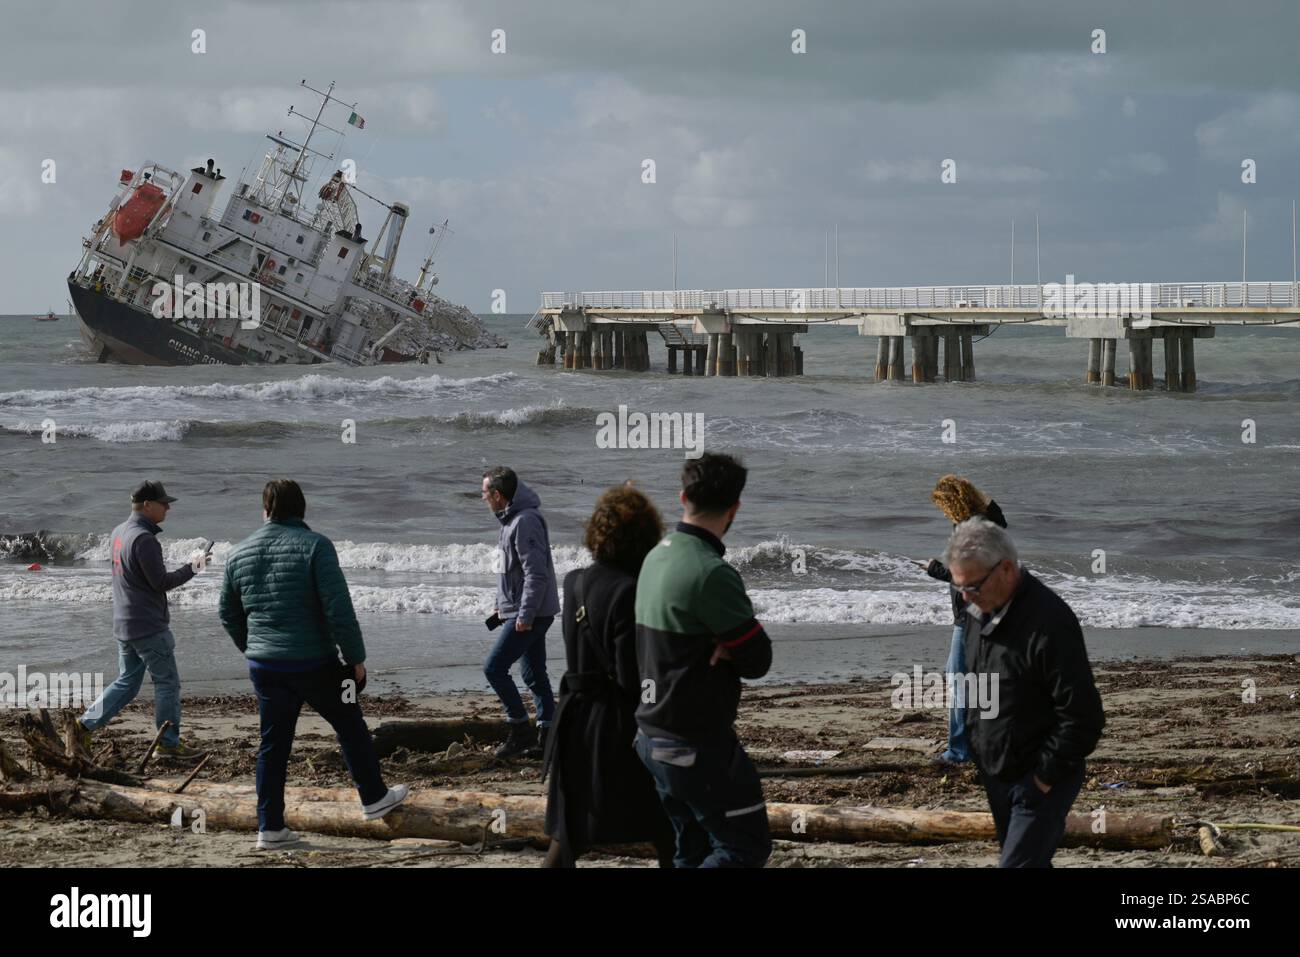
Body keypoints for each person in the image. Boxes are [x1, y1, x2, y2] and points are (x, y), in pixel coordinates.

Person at [218, 479, 407, 850]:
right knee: (350, 723)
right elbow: (339, 609)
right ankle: (373, 798)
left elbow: (227, 612)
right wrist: (355, 659)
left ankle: (269, 827)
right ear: (301, 510)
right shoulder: (316, 546)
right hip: (314, 663)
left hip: (265, 666)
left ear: (266, 510)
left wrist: (252, 645)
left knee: (273, 745)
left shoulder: (238, 552)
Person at [633, 452, 773, 868]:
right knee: (743, 848)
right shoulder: (712, 573)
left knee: (691, 850)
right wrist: (730, 646)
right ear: (735, 509)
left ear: (682, 497)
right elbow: (758, 659)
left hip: (650, 734)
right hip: (694, 741)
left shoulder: (656, 555)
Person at [944, 518, 1105, 867]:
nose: (967, 597)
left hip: (1040, 777)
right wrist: (976, 745)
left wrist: (1043, 778)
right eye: (960, 589)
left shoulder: (1050, 622)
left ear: (1005, 568)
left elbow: (1084, 717)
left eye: (973, 587)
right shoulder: (976, 611)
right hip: (995, 769)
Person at [542, 484, 676, 868]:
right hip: (616, 725)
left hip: (572, 721)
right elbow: (632, 678)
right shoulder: (633, 591)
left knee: (569, 836)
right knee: (666, 828)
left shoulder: (575, 582)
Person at [77, 481, 206, 759]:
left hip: (124, 622)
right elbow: (161, 582)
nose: (168, 507)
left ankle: (83, 727)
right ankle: (168, 745)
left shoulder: (119, 533)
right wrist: (193, 568)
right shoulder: (145, 539)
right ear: (147, 505)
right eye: (163, 503)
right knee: (167, 683)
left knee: (127, 682)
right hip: (147, 625)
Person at [923, 475, 1008, 765]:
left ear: (952, 504)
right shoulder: (989, 524)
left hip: (969, 616)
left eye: (944, 505)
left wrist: (937, 570)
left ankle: (959, 751)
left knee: (960, 680)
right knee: (968, 678)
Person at [481, 466, 560, 758]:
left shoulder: (524, 521)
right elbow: (508, 571)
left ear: (498, 495)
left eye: (484, 493)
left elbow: (536, 575)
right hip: (520, 609)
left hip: (532, 613)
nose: (483, 498)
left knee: (494, 668)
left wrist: (524, 616)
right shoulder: (509, 520)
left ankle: (520, 731)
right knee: (534, 673)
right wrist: (500, 604)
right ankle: (547, 736)